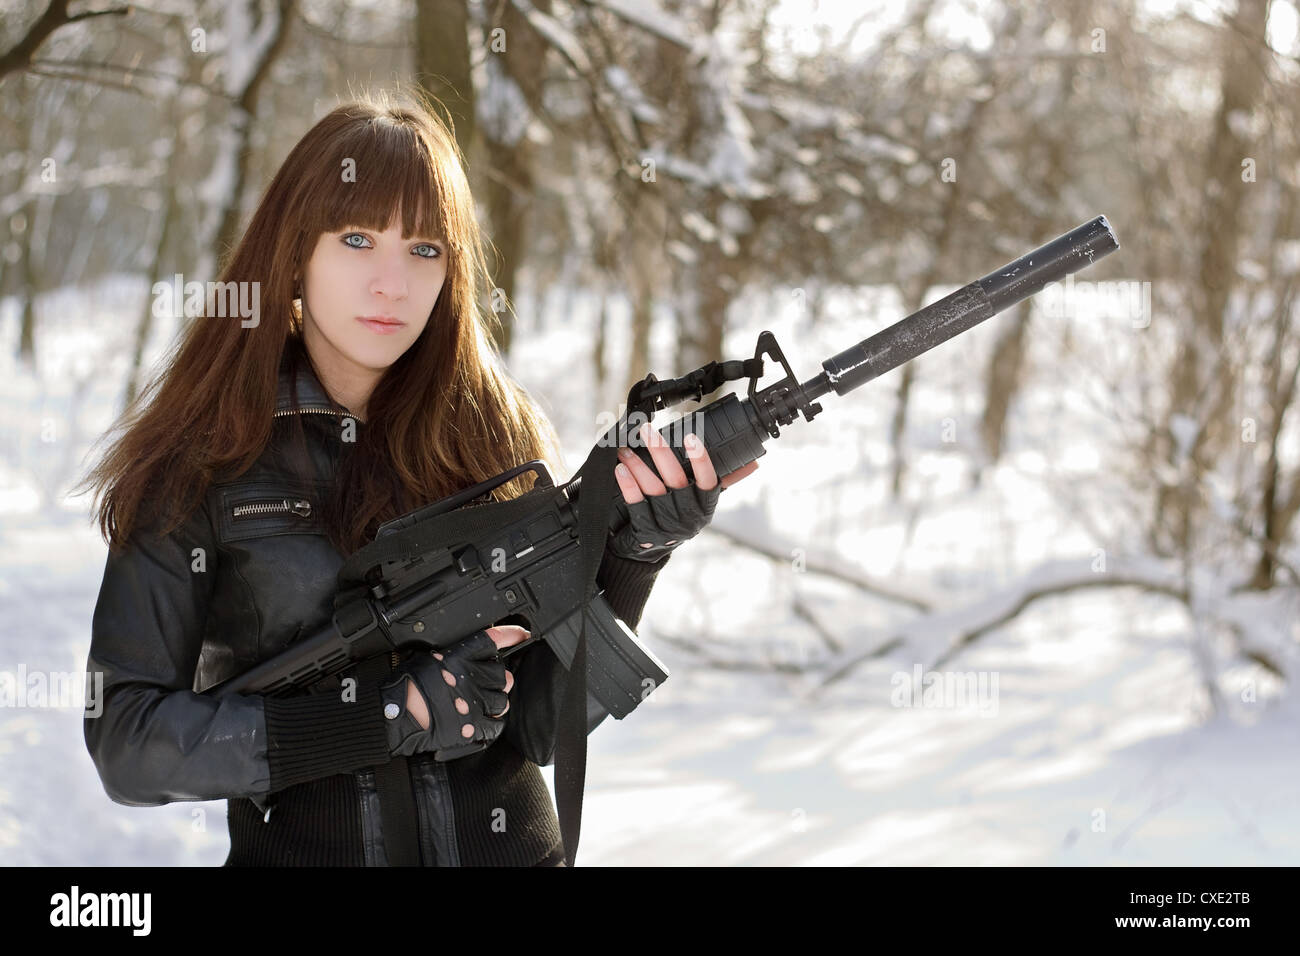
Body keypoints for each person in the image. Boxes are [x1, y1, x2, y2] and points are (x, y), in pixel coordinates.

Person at [76, 89, 757, 867]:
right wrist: (379, 717)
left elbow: (536, 726)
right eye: (358, 239)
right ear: (294, 251)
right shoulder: (204, 461)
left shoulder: (493, 431)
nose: (392, 284)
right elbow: (128, 742)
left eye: (425, 250)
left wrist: (634, 555)